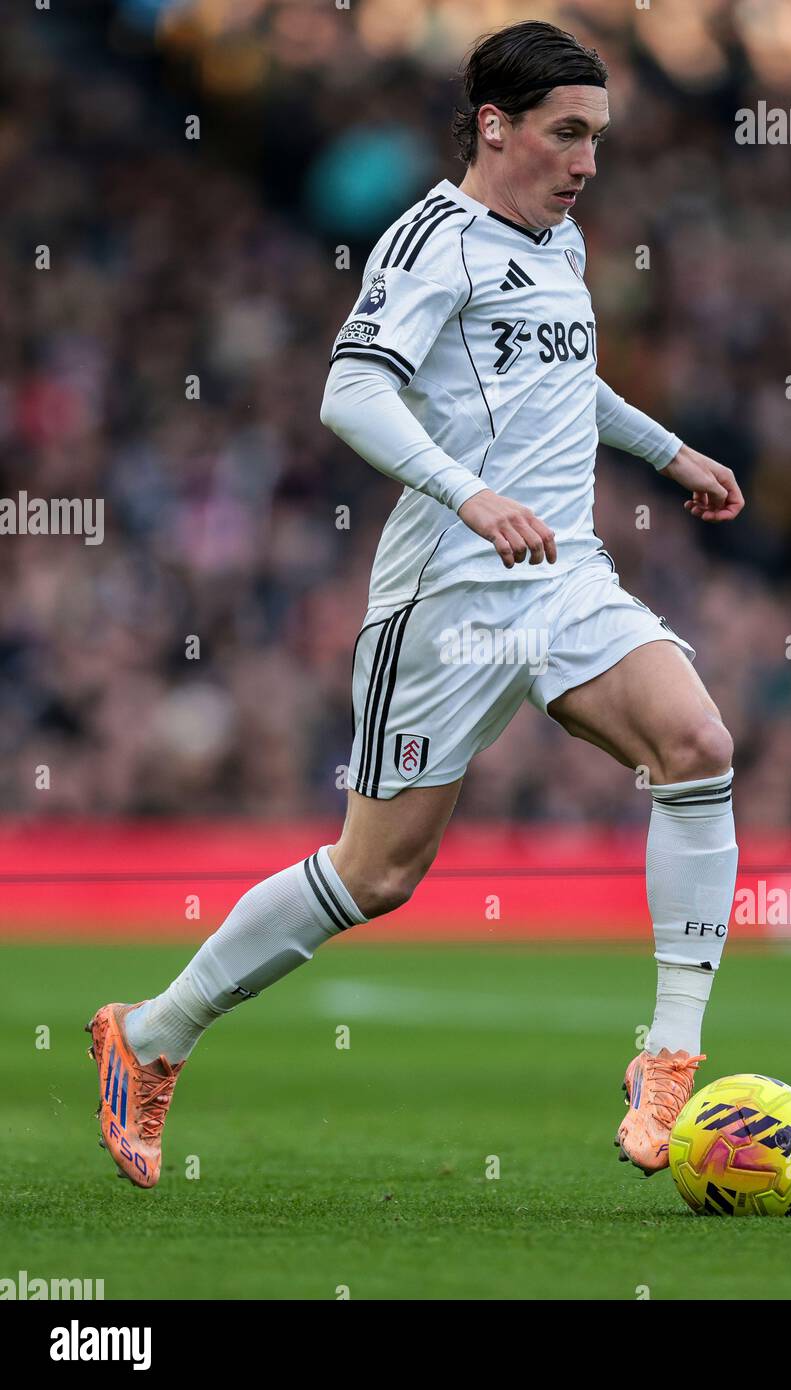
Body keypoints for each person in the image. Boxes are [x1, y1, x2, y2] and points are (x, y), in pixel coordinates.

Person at [86, 20, 743, 1190]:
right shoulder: (433, 239)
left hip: (566, 576)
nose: (588, 161)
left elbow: (563, 377)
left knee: (697, 745)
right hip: (447, 594)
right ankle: (150, 1033)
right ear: (495, 125)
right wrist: (468, 493)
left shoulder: (559, 239)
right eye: (567, 134)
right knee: (377, 874)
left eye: (598, 137)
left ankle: (670, 1056)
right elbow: (350, 390)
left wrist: (668, 449)